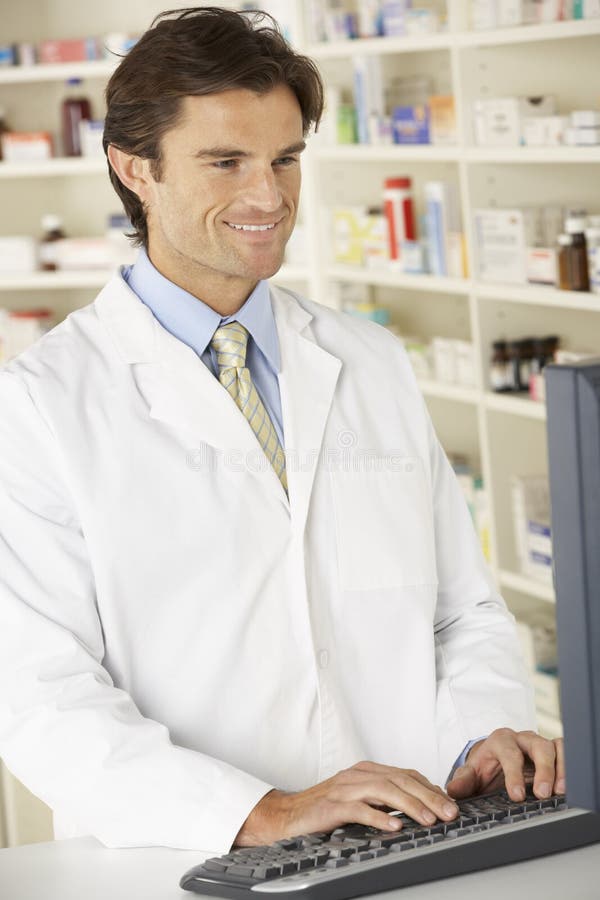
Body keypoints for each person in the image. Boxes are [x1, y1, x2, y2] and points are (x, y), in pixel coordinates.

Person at [0, 7, 563, 854]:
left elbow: (463, 609)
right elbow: (37, 694)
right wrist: (259, 812)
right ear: (134, 169)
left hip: (410, 841)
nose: (269, 196)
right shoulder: (40, 404)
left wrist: (479, 733)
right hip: (187, 858)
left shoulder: (369, 361)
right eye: (225, 162)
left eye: (286, 158)